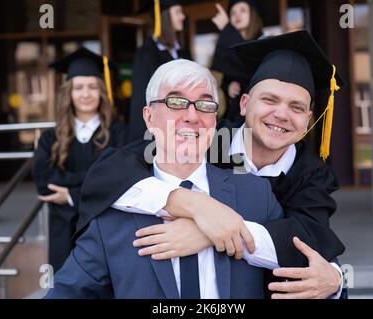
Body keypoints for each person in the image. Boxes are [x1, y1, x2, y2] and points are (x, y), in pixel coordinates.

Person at [76, 30, 347, 299]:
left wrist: (210, 232)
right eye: (269, 99)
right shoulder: (207, 138)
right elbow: (112, 172)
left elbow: (311, 240)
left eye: (297, 107)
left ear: (309, 117)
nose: (281, 114)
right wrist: (189, 203)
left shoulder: (311, 173)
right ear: (244, 103)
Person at [45, 59, 284, 298]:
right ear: (149, 118)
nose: (192, 115)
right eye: (176, 102)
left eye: (205, 104)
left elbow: (297, 278)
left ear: (214, 120)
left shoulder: (256, 195)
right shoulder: (111, 215)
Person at [32, 47, 126, 272]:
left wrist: (71, 194)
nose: (86, 94)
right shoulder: (50, 138)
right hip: (63, 234)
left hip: (107, 230)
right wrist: (93, 181)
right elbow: (44, 184)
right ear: (69, 93)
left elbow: (119, 180)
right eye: (79, 87)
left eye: (93, 87)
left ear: (102, 91)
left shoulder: (119, 134)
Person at [128, 0, 190, 142]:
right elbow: (140, 97)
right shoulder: (147, 53)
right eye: (177, 12)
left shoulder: (182, 51)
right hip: (160, 130)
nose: (183, 17)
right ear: (165, 16)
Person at [211, 0, 263, 121]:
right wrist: (228, 86)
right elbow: (222, 68)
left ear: (253, 14)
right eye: (233, 12)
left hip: (253, 116)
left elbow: (247, 67)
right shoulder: (227, 40)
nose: (237, 15)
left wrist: (227, 28)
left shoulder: (262, 41)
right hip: (233, 116)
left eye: (243, 10)